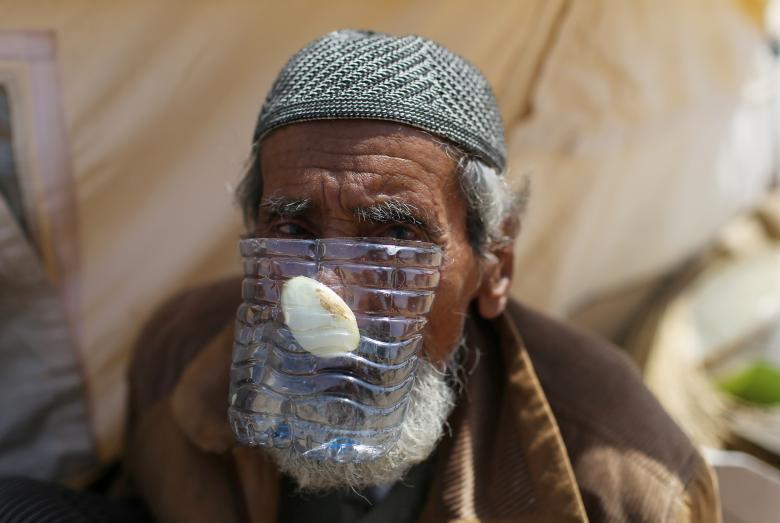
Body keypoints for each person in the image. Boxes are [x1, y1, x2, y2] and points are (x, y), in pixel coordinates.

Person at [125, 30, 720, 522]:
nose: (333, 290)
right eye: (293, 231)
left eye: (394, 237)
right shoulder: (179, 353)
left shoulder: (622, 491)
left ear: (495, 266)